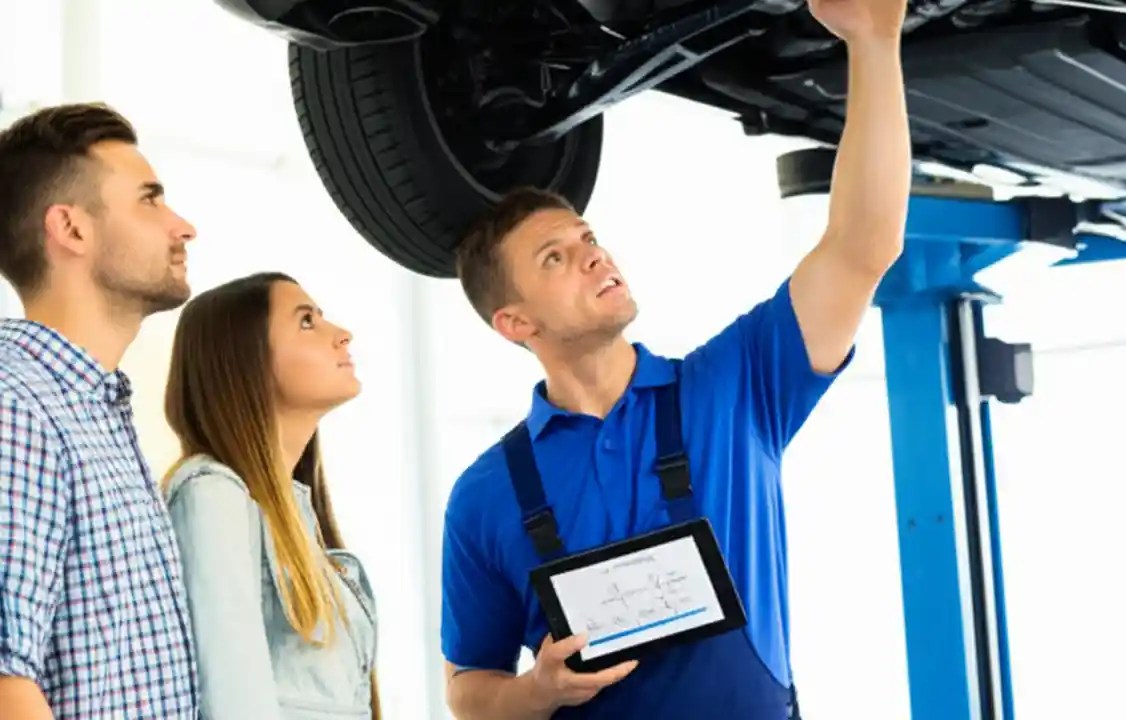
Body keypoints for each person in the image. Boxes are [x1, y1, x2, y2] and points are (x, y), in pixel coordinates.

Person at [438, 0, 912, 717]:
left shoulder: (733, 386)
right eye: (555, 258)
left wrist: (874, 41)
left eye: (587, 236)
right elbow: (468, 690)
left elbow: (862, 248)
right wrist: (535, 691)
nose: (593, 253)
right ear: (515, 322)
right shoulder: (484, 495)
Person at [0, 102, 201, 719]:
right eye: (149, 199)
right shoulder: (17, 406)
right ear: (72, 230)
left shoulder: (93, 412)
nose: (183, 226)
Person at [160, 271, 381, 719]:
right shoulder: (212, 496)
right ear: (245, 360)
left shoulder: (298, 519)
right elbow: (231, 702)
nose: (341, 335)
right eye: (306, 321)